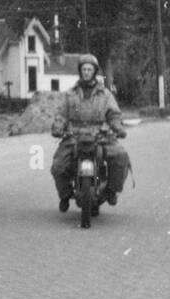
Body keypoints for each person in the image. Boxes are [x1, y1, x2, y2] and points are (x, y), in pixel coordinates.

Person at [50, 53, 130, 210]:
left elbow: (113, 114)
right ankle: (65, 195)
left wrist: (118, 128)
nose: (86, 72)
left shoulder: (105, 94)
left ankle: (111, 191)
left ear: (95, 71)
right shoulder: (70, 94)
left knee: (120, 156)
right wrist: (58, 127)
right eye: (84, 69)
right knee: (58, 165)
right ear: (80, 71)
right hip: (74, 135)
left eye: (89, 69)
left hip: (100, 135)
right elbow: (61, 114)